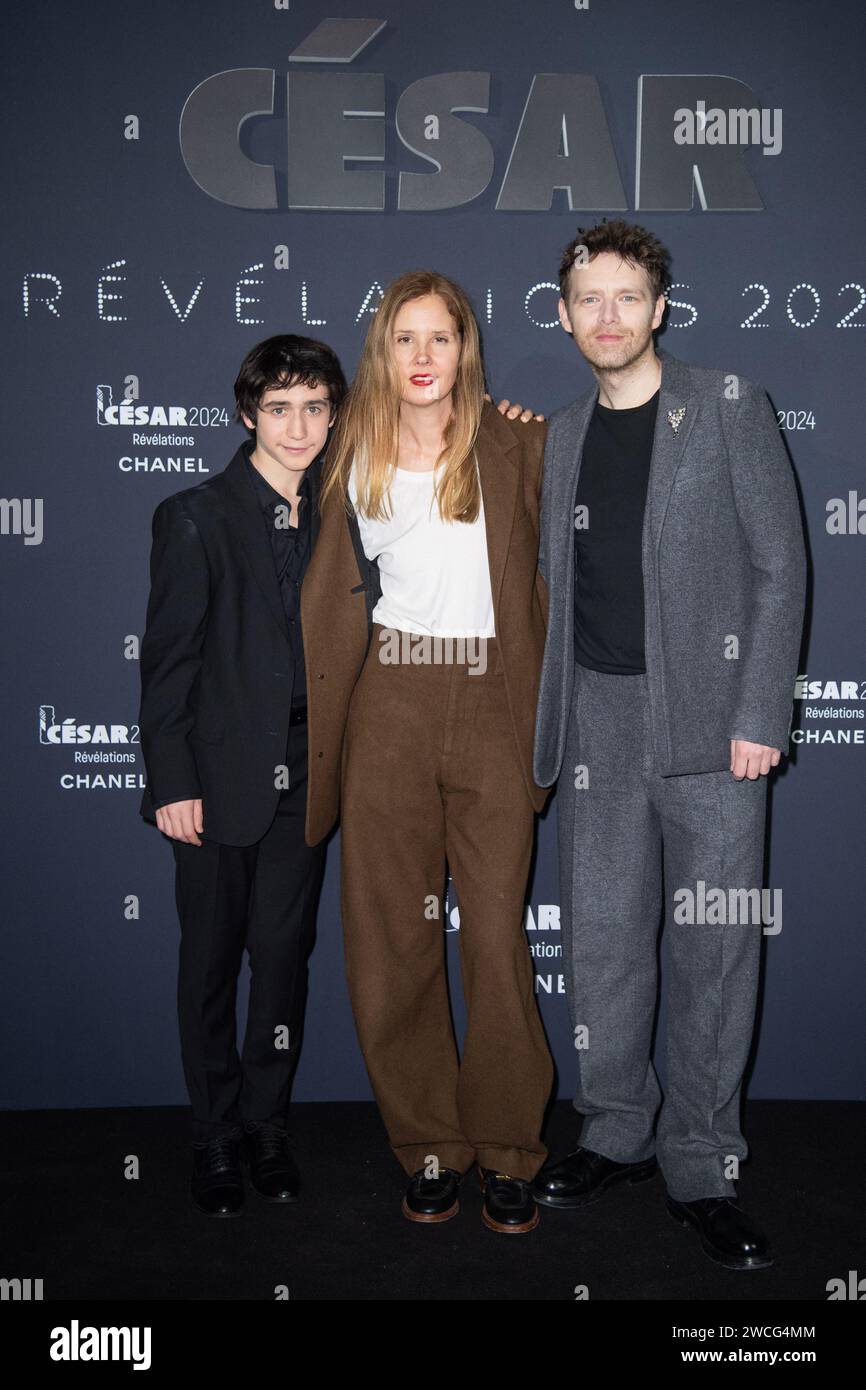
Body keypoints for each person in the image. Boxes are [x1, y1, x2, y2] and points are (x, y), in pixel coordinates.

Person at [530, 219, 807, 1269]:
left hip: (710, 726)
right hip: (593, 718)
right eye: (585, 300)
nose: (605, 316)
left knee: (712, 955)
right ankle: (613, 1128)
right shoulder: (557, 433)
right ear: (562, 316)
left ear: (658, 308)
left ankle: (700, 1160)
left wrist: (756, 716)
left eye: (624, 297)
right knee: (600, 946)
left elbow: (780, 568)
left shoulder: (728, 405)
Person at [300, 270, 553, 1233]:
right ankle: (430, 1147)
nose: (421, 358)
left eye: (438, 339)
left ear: (465, 349)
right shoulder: (347, 449)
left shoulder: (519, 440)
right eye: (403, 339)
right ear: (382, 351)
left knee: (494, 935)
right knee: (393, 940)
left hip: (494, 700)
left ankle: (509, 1149)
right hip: (391, 699)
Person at [138, 335, 345, 1216]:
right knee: (211, 965)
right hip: (215, 779)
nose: (297, 426)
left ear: (333, 416)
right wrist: (170, 781)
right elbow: (167, 666)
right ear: (247, 415)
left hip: (307, 773)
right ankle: (213, 1136)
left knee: (284, 962)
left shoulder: (345, 519)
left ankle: (267, 1127)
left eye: (314, 408)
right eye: (279, 408)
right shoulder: (193, 515)